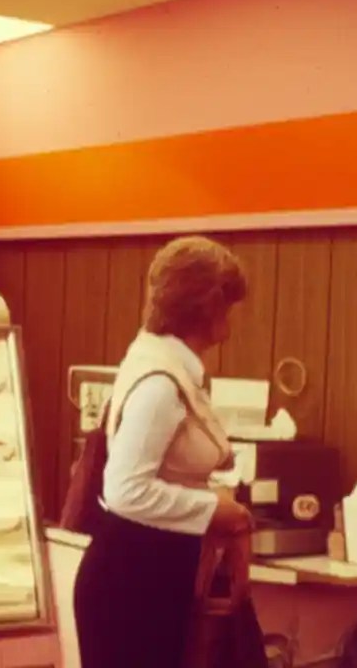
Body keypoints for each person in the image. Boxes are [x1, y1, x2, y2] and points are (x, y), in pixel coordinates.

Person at [73, 235, 253, 668]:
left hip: (151, 575)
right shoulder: (160, 385)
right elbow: (125, 491)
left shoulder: (162, 364)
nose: (231, 321)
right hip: (132, 584)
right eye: (228, 305)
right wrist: (212, 509)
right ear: (209, 306)